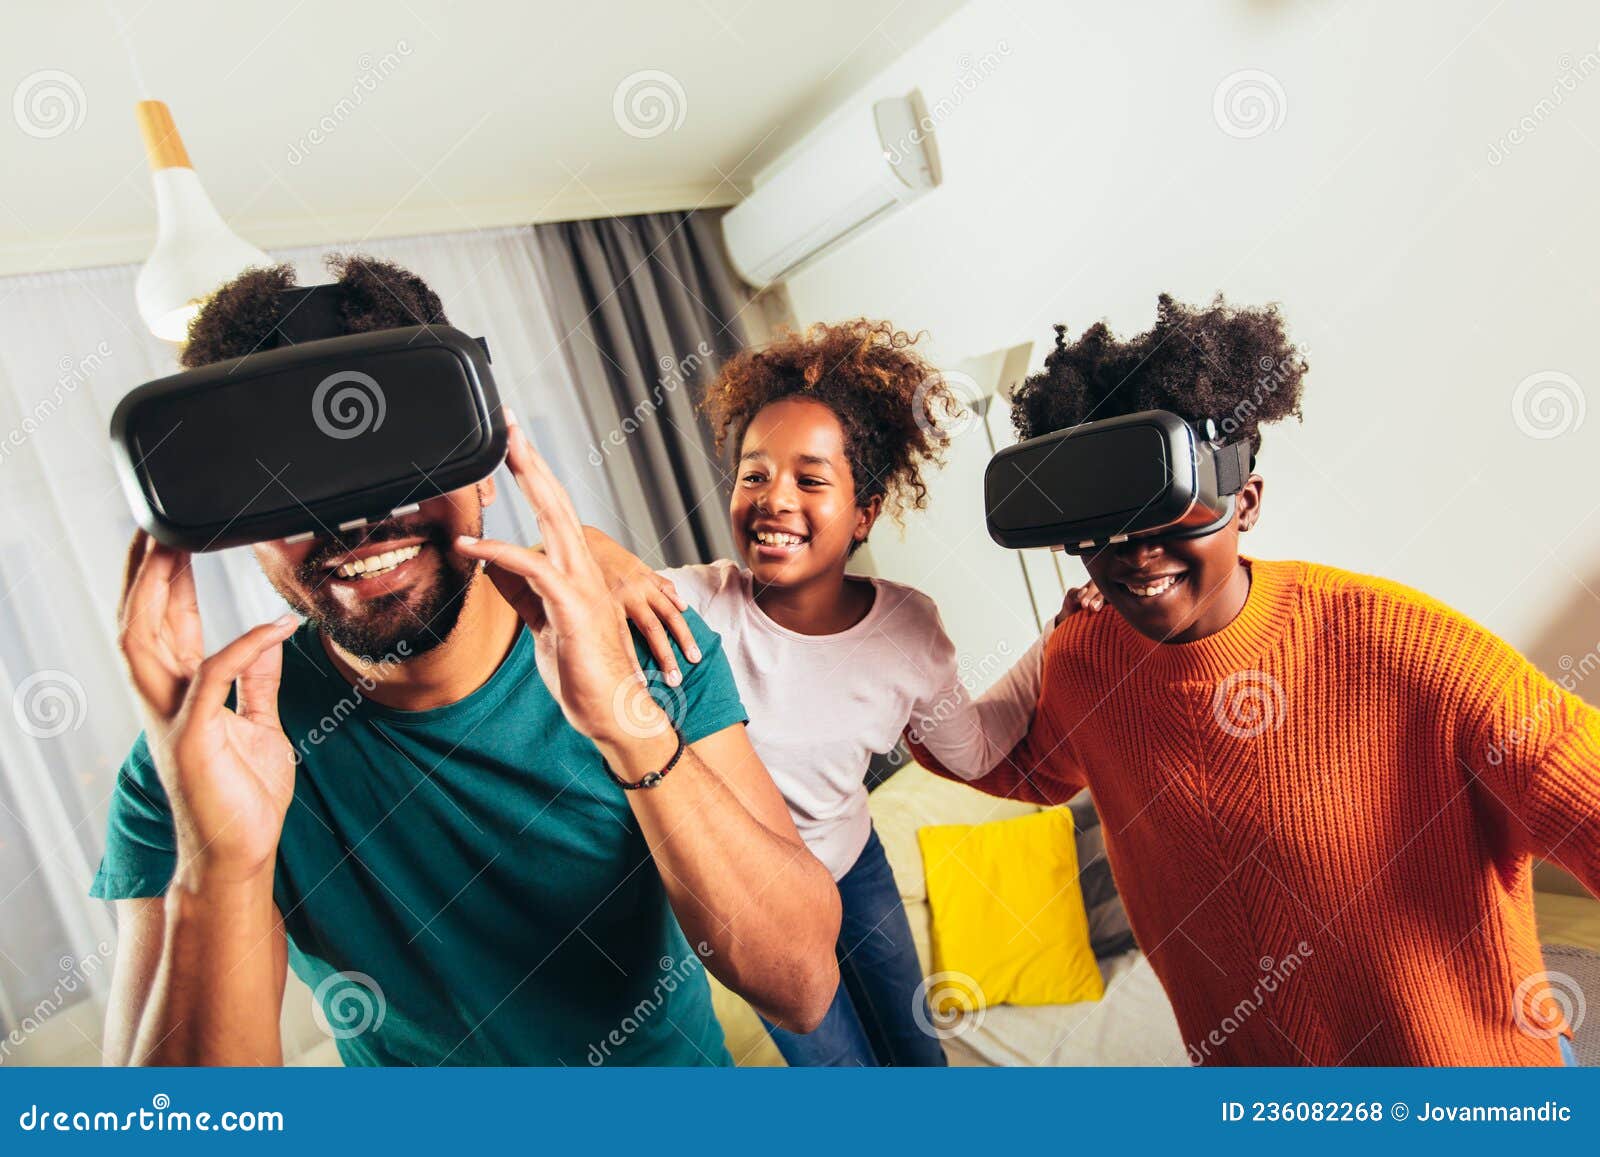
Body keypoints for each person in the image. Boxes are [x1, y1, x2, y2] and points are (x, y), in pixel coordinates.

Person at [93, 255, 841, 1067]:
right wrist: (221, 866)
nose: (358, 517)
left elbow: (800, 987)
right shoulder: (196, 759)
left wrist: (628, 727)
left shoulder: (642, 646)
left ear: (484, 460)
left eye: (390, 456)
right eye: (290, 480)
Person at [908, 293, 1600, 1066]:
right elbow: (1015, 765)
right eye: (1106, 527)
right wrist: (886, 656)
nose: (1137, 553)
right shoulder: (1086, 658)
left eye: (1166, 512)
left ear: (1246, 501)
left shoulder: (1404, 646)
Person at [529, 320, 1099, 1066]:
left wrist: (1058, 637)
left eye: (810, 478)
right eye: (754, 473)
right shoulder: (694, 603)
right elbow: (552, 564)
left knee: (918, 1058)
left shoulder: (908, 630)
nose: (773, 499)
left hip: (857, 872)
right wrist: (620, 564)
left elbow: (980, 749)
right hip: (765, 910)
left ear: (863, 511)